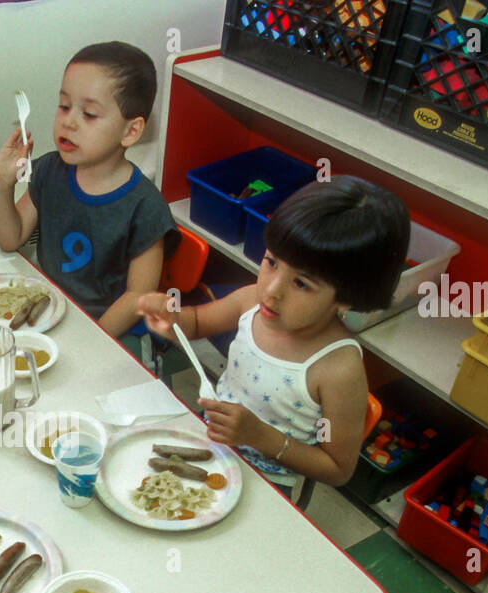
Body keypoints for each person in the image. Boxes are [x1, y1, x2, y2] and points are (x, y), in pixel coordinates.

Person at [138, 176, 410, 494]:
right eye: (271, 262)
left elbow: (338, 469)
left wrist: (258, 436)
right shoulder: (252, 299)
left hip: (269, 478)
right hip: (211, 438)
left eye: (302, 283)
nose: (271, 289)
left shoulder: (338, 367)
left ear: (349, 297)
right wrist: (171, 320)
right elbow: (196, 322)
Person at [0, 41, 178, 337]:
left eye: (89, 114)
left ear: (130, 131)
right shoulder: (51, 170)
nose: (69, 121)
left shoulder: (146, 207)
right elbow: (10, 239)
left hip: (110, 333)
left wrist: (91, 341)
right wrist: (2, 185)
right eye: (64, 106)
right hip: (48, 314)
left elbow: (137, 297)